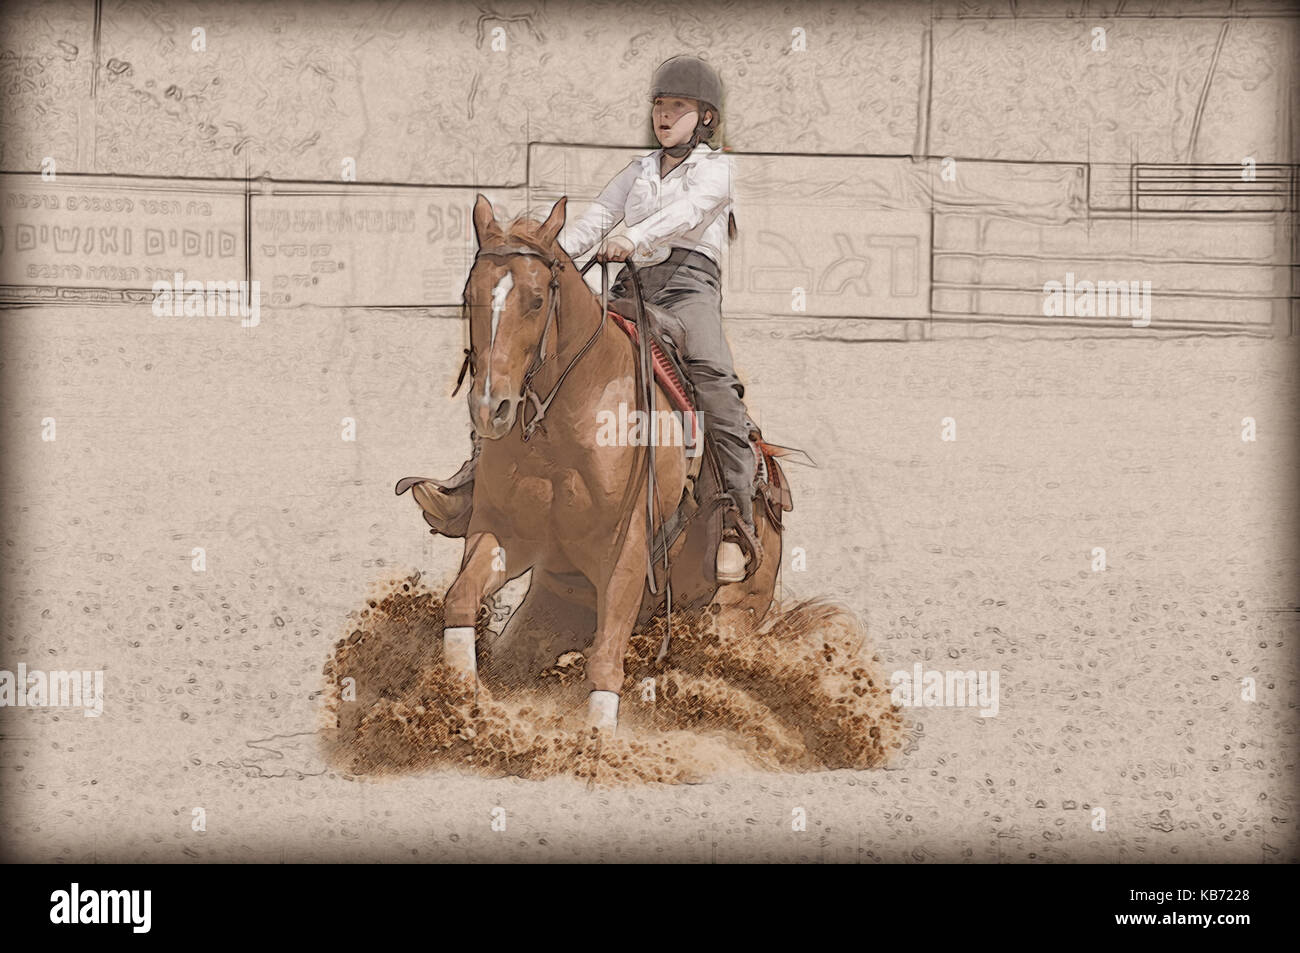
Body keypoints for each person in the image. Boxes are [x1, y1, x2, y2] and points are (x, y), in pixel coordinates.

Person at [410, 54, 757, 583]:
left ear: (705, 117)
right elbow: (596, 216)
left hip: (689, 290)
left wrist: (633, 238)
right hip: (629, 285)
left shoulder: (717, 171)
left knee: (715, 379)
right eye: (660, 106)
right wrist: (546, 257)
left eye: (678, 107)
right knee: (538, 353)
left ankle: (735, 516)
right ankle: (478, 477)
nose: (664, 116)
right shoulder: (639, 169)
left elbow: (683, 216)